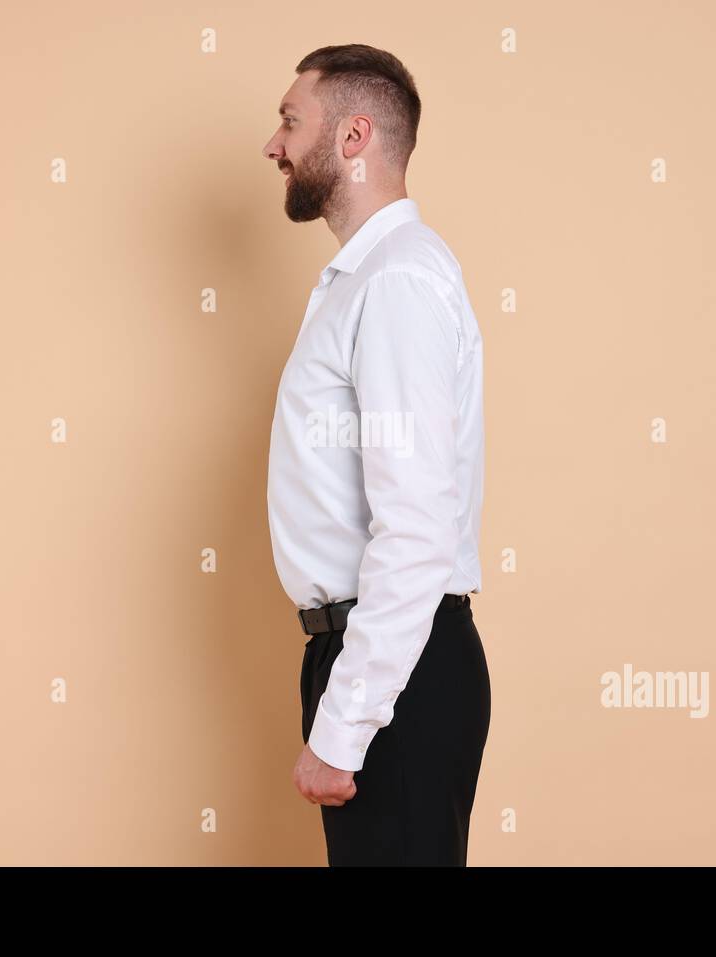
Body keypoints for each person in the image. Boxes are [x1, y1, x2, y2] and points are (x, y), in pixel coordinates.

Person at [263, 44, 490, 866]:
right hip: (373, 656)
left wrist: (346, 722)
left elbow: (417, 527)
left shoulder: (395, 281)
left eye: (291, 121)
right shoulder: (366, 280)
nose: (274, 145)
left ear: (354, 135)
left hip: (396, 665)